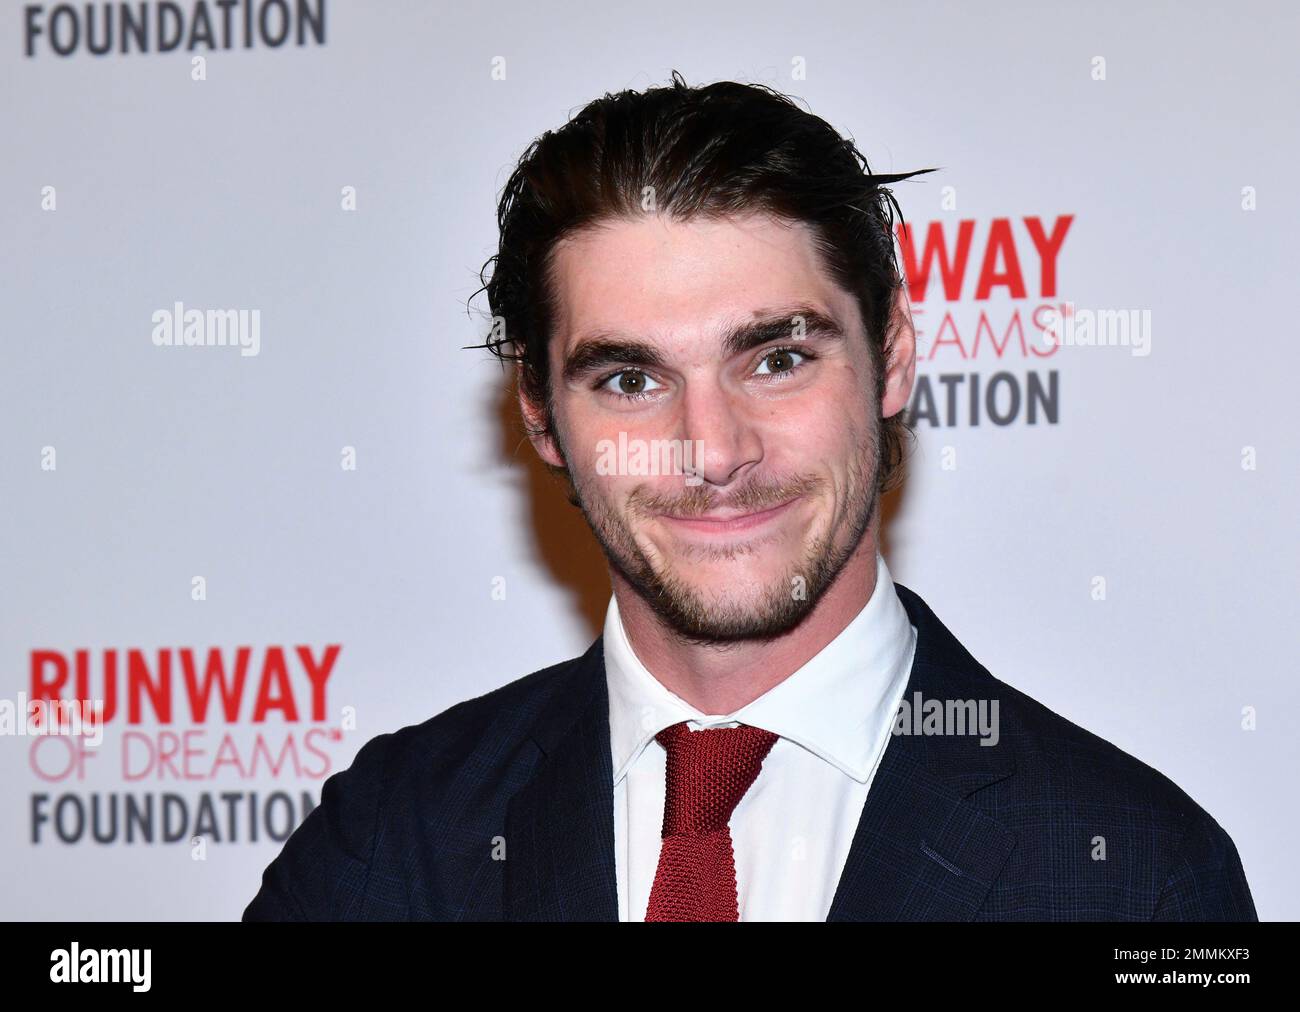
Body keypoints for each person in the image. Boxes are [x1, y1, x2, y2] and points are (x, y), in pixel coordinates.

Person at [243, 72, 1256, 922]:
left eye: (776, 360)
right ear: (541, 416)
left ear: (893, 357)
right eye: (629, 380)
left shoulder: (1131, 874)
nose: (715, 451)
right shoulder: (391, 843)